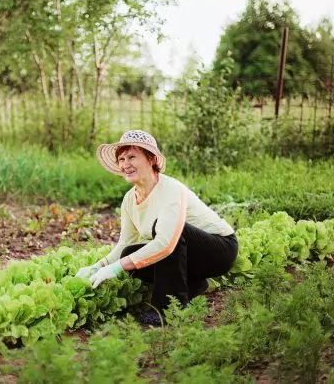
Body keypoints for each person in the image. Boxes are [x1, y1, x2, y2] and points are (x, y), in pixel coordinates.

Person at [75, 129, 238, 326]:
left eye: (132, 157)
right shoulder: (129, 199)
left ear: (151, 159)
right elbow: (126, 242)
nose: (125, 164)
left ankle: (167, 310)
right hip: (188, 253)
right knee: (130, 252)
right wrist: (98, 266)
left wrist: (117, 267)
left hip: (219, 249)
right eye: (121, 159)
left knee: (166, 234)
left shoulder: (170, 189)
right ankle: (193, 283)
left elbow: (166, 244)